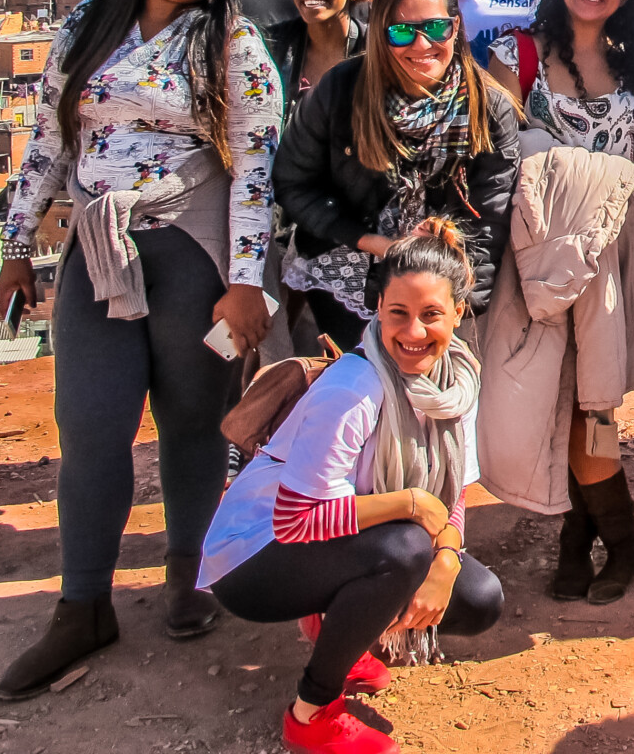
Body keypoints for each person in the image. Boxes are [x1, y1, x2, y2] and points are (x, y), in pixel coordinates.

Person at [0, 0, 284, 700]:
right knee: (90, 426)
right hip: (97, 248)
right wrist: (18, 244)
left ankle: (189, 577)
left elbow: (257, 174)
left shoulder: (231, 45)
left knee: (193, 426)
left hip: (193, 250)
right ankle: (81, 602)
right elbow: (52, 138)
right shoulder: (90, 26)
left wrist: (245, 282)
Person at [201, 219, 504, 754]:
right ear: (377, 310)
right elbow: (296, 519)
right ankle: (311, 712)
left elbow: (452, 490)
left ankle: (335, 619)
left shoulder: (457, 380)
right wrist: (412, 503)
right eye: (398, 314)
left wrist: (449, 560)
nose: (413, 333)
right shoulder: (356, 387)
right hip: (252, 558)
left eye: (432, 314)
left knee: (477, 600)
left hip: (330, 538)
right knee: (404, 547)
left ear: (459, 311)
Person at [482, 0, 634, 605]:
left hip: (615, 256)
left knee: (592, 404)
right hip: (540, 259)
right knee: (552, 395)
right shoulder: (517, 56)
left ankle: (600, 544)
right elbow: (490, 151)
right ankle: (602, 540)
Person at [274, 0, 520, 351]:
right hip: (349, 263)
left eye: (436, 28)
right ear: (379, 36)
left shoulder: (487, 108)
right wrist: (368, 241)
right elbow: (294, 181)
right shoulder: (341, 91)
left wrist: (460, 303)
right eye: (402, 32)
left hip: (438, 278)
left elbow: (488, 220)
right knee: (358, 386)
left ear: (455, 27)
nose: (422, 46)